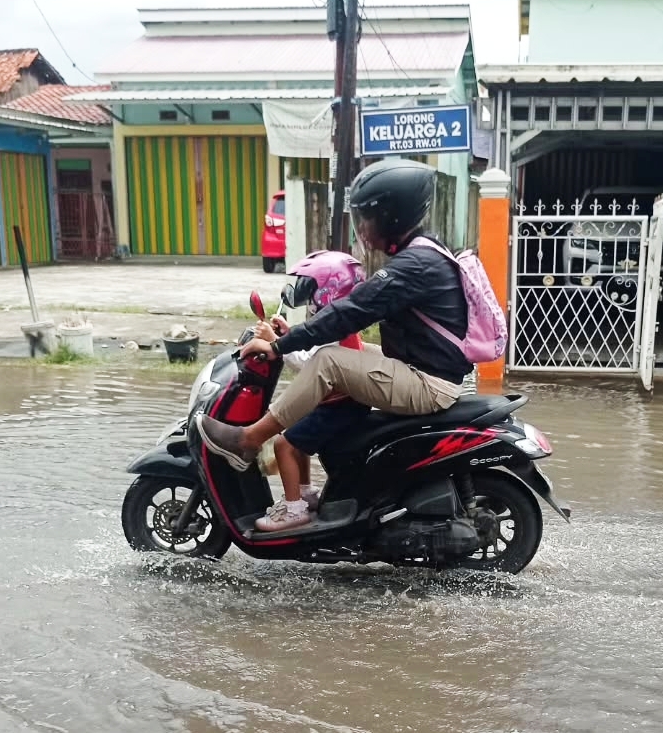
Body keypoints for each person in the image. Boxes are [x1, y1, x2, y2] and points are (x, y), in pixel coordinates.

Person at [196, 158, 471, 477]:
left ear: (389, 216)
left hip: (427, 383)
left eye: (367, 217)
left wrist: (280, 345)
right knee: (347, 354)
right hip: (424, 369)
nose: (364, 227)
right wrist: (294, 335)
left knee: (329, 360)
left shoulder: (414, 265)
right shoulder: (424, 252)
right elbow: (351, 314)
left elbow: (350, 312)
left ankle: (248, 440)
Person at [251, 250, 370, 532]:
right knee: (294, 438)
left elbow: (309, 364)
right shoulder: (341, 321)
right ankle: (304, 493)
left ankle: (294, 512)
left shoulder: (335, 327)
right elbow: (313, 346)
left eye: (313, 288)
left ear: (328, 291)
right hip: (344, 402)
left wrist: (274, 345)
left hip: (337, 407)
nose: (309, 296)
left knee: (283, 445)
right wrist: (289, 333)